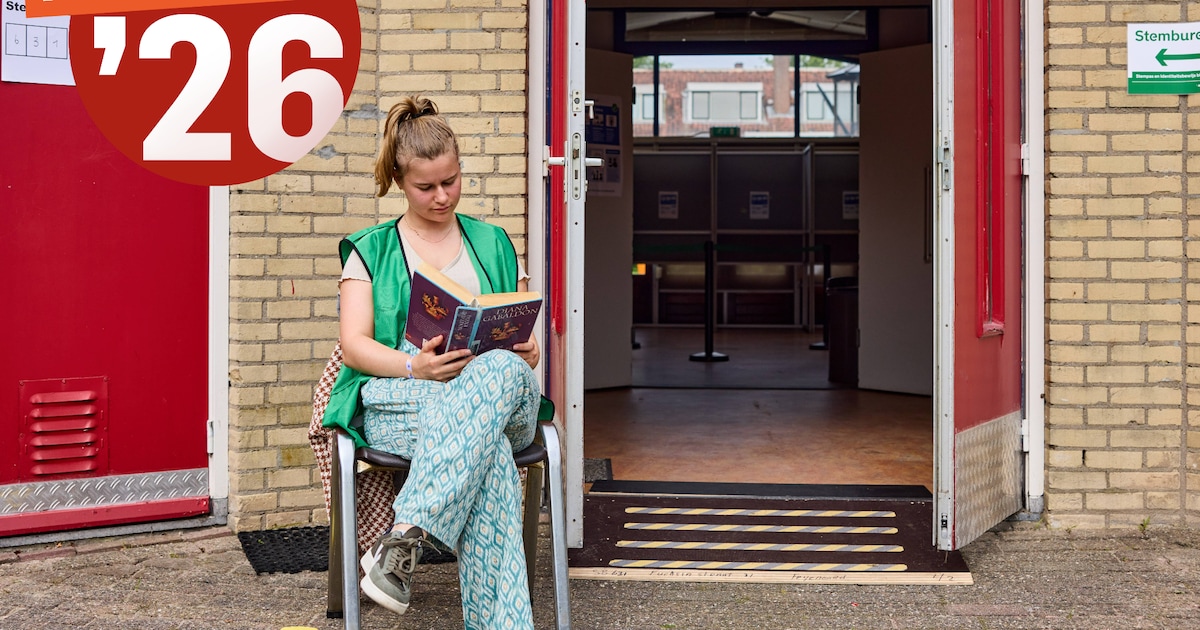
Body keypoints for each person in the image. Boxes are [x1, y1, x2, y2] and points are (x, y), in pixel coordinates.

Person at [321, 95, 542, 629]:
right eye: (427, 186)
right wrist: (415, 367)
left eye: (452, 180)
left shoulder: (492, 241)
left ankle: (408, 534)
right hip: (407, 393)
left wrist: (527, 353)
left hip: (497, 392)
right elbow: (355, 347)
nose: (443, 196)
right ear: (400, 179)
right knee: (487, 459)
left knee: (502, 371)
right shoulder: (368, 250)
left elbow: (510, 324)